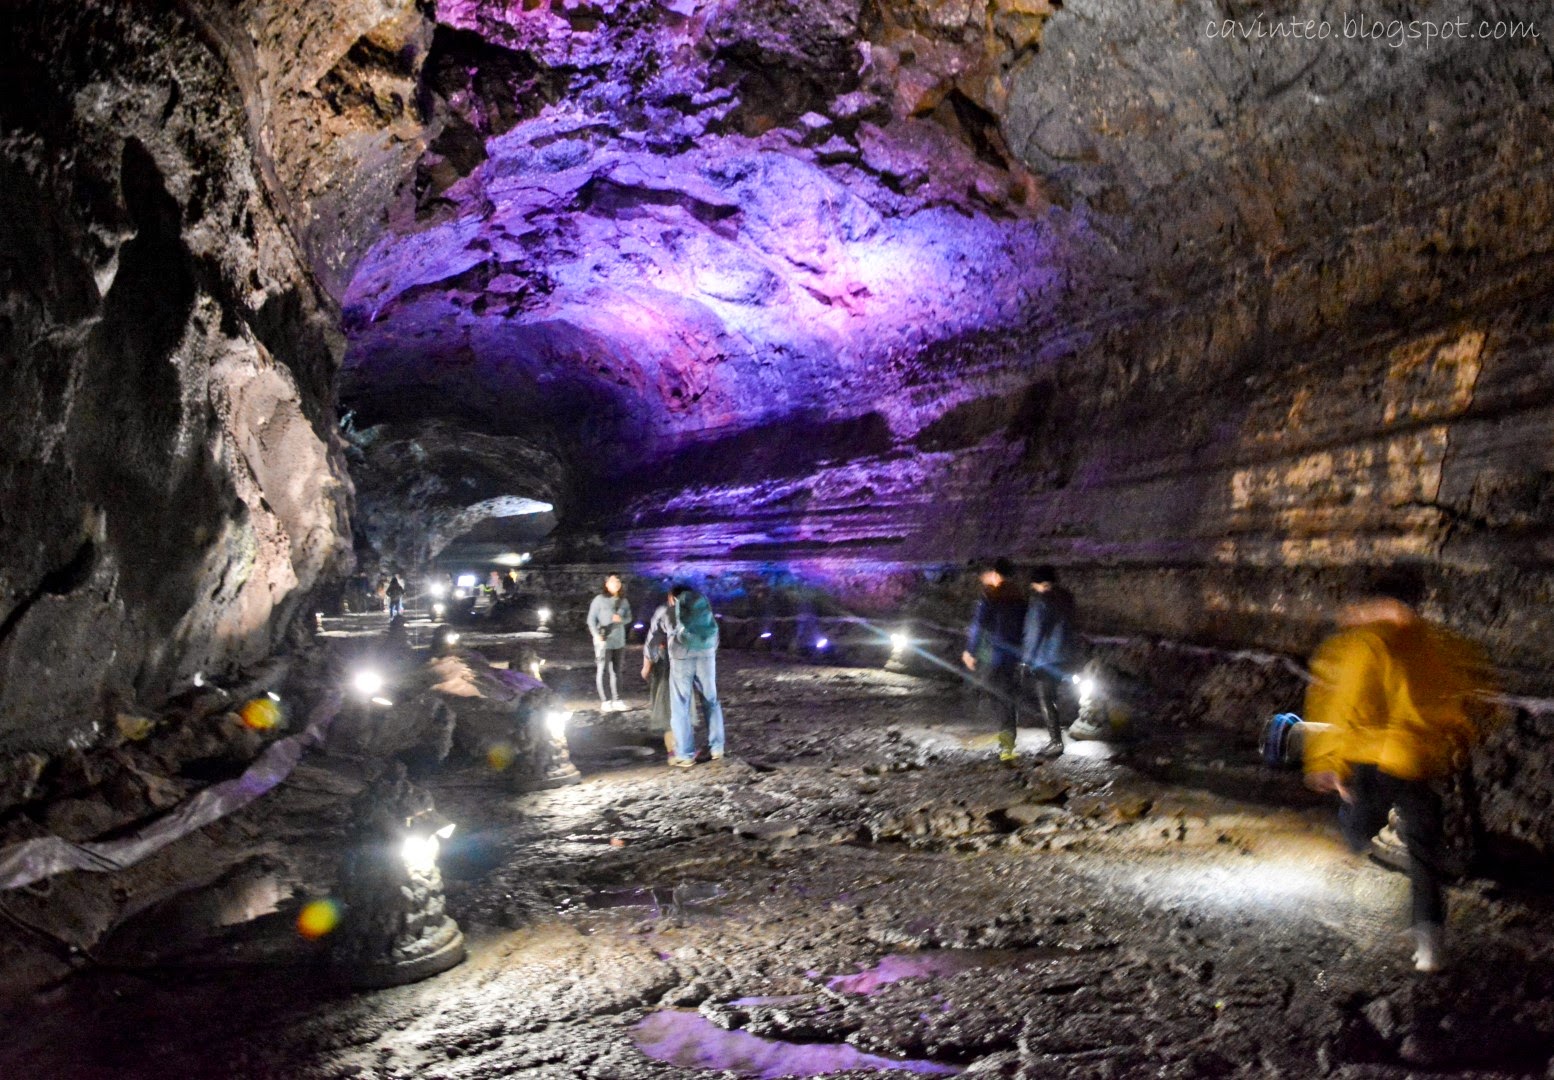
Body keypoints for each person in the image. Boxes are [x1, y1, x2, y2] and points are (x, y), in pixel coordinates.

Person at [1302, 568, 1491, 973]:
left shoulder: (1361, 644)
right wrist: (1460, 734)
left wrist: (1327, 763)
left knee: (1357, 825)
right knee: (1424, 850)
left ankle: (1364, 861)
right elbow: (1470, 687)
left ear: (1376, 602)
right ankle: (1430, 944)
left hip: (1375, 759)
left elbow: (1341, 705)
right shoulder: (1435, 643)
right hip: (1420, 759)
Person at [961, 558, 1029, 764]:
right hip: (1013, 656)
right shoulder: (1020, 598)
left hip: (992, 656)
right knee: (1007, 697)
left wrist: (970, 651)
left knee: (992, 692)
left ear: (996, 575)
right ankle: (1007, 743)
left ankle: (1001, 738)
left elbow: (978, 627)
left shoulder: (990, 596)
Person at [666, 584, 726, 768]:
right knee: (711, 700)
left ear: (673, 597)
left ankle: (685, 754)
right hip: (706, 655)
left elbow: (667, 630)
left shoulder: (673, 610)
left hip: (681, 656)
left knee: (681, 703)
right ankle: (717, 748)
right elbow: (715, 634)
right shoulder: (703, 608)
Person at [1023, 565, 1077, 757]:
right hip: (1065, 655)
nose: (1033, 587)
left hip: (1046, 658)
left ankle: (1056, 742)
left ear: (1040, 583)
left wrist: (1026, 659)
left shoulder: (1040, 601)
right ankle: (1058, 736)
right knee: (1054, 696)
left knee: (1046, 699)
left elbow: (1034, 632)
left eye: (1034, 584)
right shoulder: (1066, 597)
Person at [587, 573, 632, 712]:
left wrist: (622, 620)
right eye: (612, 581)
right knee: (603, 670)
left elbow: (629, 617)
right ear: (606, 584)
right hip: (604, 642)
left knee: (617, 671)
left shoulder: (623, 601)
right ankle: (605, 701)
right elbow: (591, 620)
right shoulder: (599, 600)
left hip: (619, 641)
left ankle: (617, 699)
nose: (616, 584)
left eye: (618, 581)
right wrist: (596, 635)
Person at [642, 591, 677, 758]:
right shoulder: (665, 612)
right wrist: (647, 663)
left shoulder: (681, 612)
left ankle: (677, 748)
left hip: (676, 664)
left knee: (674, 705)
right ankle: (673, 749)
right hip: (666, 664)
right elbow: (653, 639)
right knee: (668, 704)